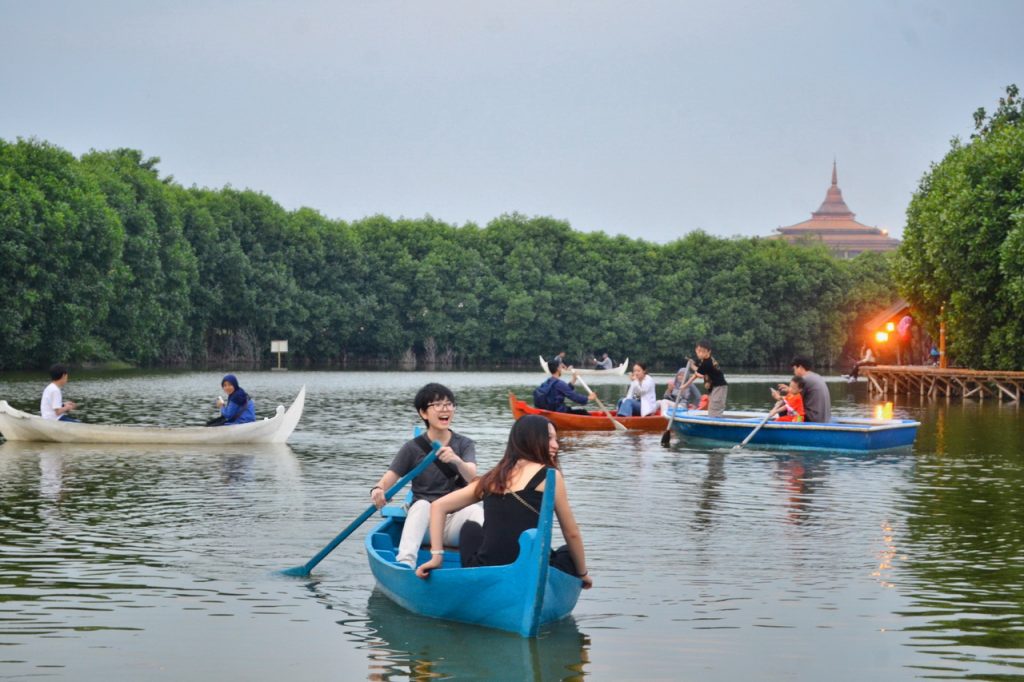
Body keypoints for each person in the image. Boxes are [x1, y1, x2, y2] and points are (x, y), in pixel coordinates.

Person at [415, 415, 592, 589]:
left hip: (486, 567)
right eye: (549, 438)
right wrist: (583, 574)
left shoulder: (493, 477)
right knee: (568, 552)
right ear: (531, 440)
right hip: (528, 568)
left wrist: (436, 557)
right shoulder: (550, 475)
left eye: (556, 439)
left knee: (469, 528)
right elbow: (572, 533)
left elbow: (438, 506)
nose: (556, 445)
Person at [370, 383, 482, 568]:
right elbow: (389, 477)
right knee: (421, 505)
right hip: (426, 526)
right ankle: (405, 564)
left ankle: (485, 565)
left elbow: (472, 477)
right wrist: (378, 489)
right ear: (423, 413)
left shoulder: (464, 444)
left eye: (449, 404)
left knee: (476, 511)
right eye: (437, 405)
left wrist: (456, 460)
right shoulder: (412, 448)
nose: (445, 409)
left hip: (455, 522)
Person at [680, 340, 728, 417]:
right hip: (714, 388)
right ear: (696, 350)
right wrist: (692, 363)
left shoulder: (707, 362)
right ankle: (713, 424)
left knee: (715, 410)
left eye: (703, 352)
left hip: (719, 388)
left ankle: (715, 426)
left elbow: (697, 375)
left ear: (709, 352)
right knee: (712, 409)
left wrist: (685, 386)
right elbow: (699, 369)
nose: (700, 353)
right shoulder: (704, 360)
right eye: (699, 351)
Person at [787, 357, 831, 423]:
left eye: (794, 369)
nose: (794, 373)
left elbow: (792, 400)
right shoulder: (816, 376)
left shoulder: (804, 380)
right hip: (824, 418)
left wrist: (779, 398)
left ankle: (788, 429)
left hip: (813, 419)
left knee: (785, 408)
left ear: (800, 367)